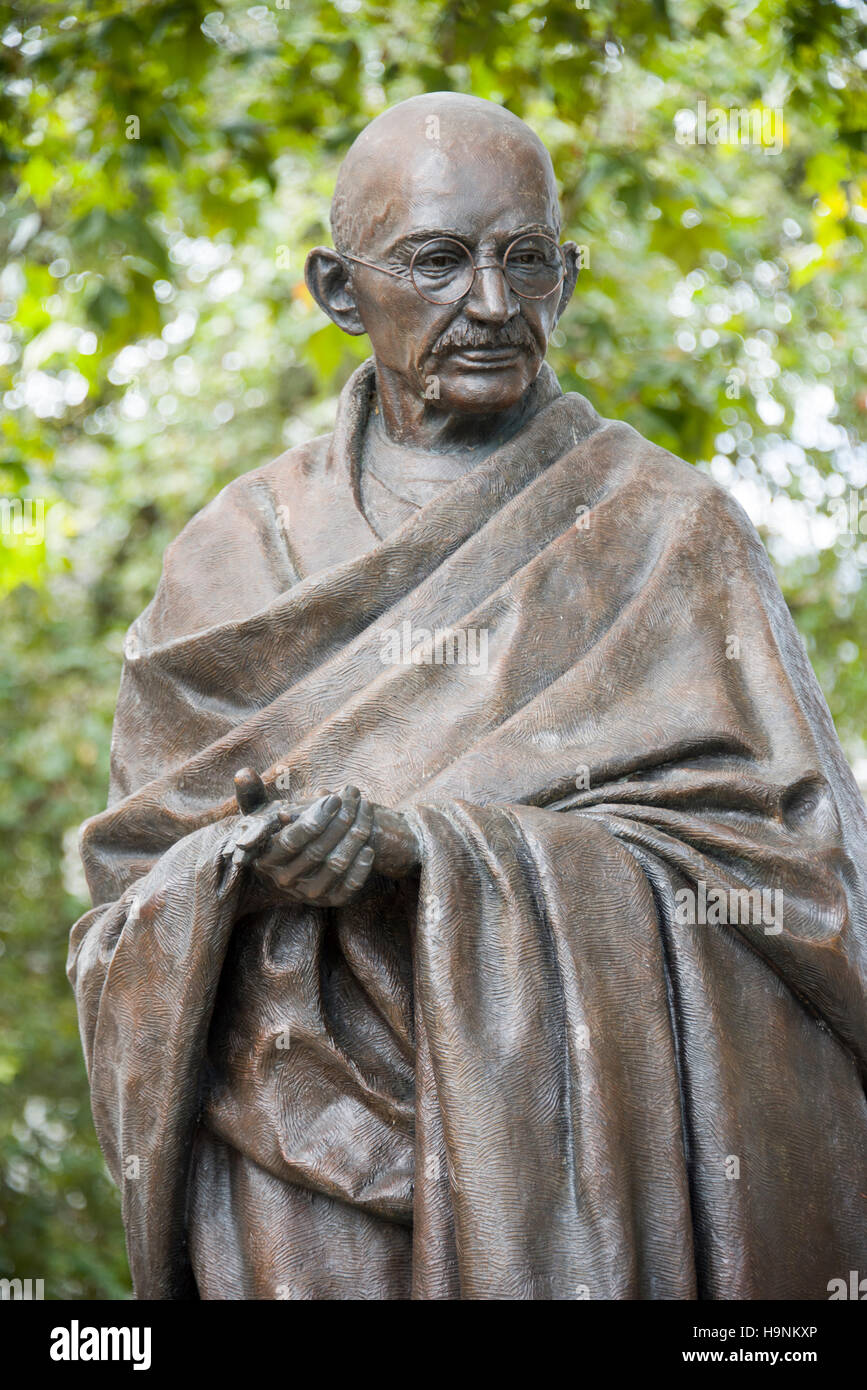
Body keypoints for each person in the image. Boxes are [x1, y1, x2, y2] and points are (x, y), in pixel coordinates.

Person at [69, 92, 867, 1300]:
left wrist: (427, 853)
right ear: (339, 291)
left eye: (527, 260)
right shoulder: (231, 556)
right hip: (297, 1174)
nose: (493, 306)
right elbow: (130, 900)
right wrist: (248, 868)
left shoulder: (666, 529)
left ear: (568, 274)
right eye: (438, 262)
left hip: (593, 1171)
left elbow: (807, 889)